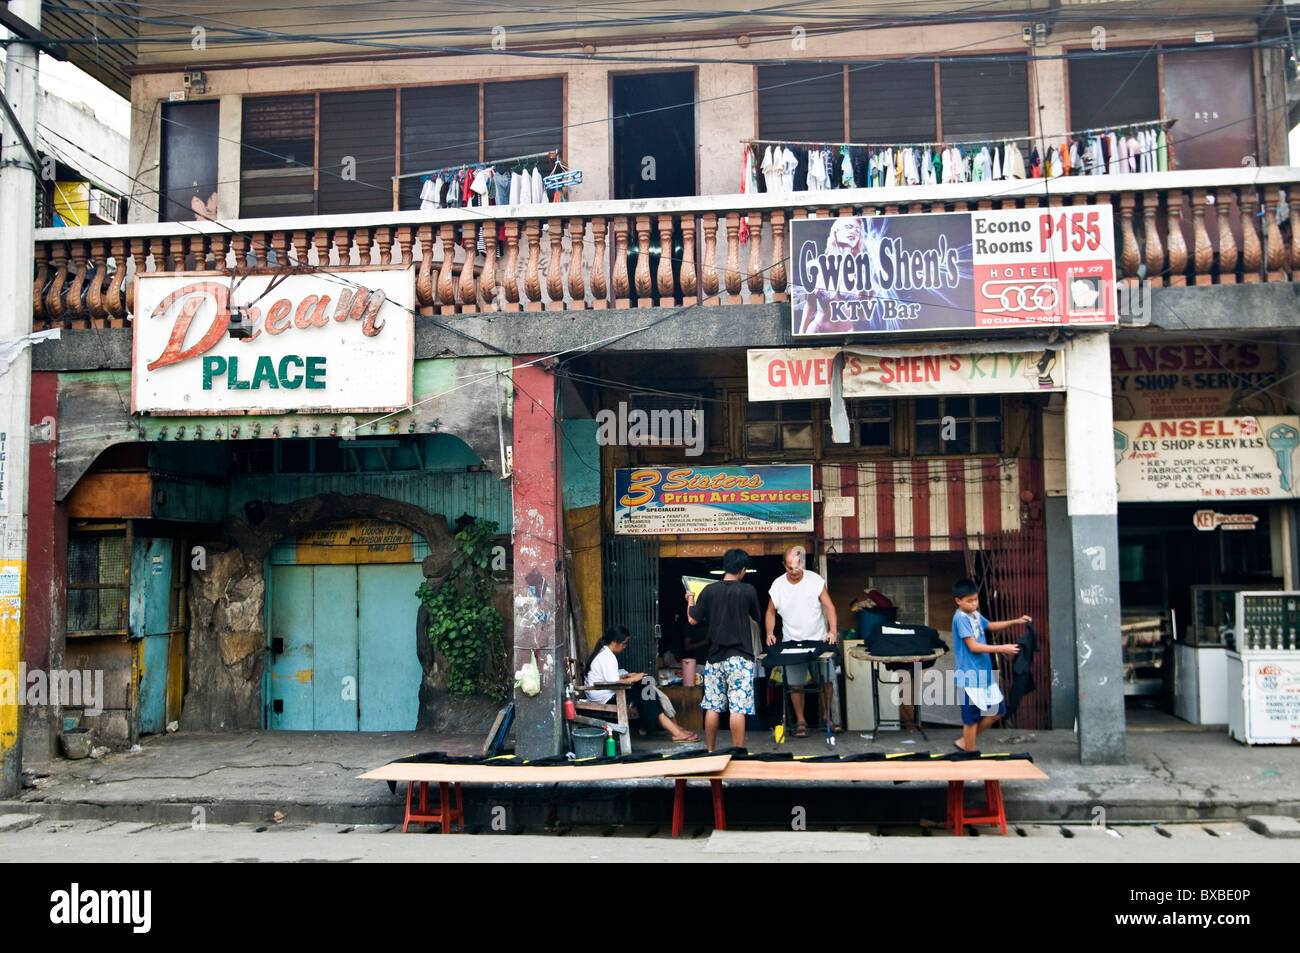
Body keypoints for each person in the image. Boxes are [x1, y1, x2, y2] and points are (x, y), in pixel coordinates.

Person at [686, 548, 762, 752]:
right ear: (743, 570)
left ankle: (710, 750)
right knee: (738, 707)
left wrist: (690, 599)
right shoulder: (747, 591)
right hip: (740, 657)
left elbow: (692, 619)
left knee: (712, 706)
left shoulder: (709, 591)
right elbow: (757, 617)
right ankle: (737, 752)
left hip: (714, 658)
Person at [765, 546, 839, 737]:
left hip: (819, 639)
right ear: (784, 565)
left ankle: (826, 716)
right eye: (790, 568)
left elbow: (829, 606)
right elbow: (770, 611)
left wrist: (832, 631)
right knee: (796, 684)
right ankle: (800, 721)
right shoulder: (778, 585)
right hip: (792, 642)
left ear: (803, 564)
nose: (794, 571)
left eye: (797, 567)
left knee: (826, 681)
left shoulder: (815, 580)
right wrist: (769, 632)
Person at [584, 625, 698, 744]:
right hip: (605, 699)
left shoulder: (604, 653)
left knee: (647, 688)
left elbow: (609, 678)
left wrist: (628, 676)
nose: (625, 647)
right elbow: (613, 683)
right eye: (624, 643)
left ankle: (671, 728)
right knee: (645, 689)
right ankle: (672, 730)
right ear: (614, 642)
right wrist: (635, 678)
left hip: (606, 694)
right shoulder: (607, 656)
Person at [950, 578, 1028, 753]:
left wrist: (1015, 621)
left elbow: (990, 626)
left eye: (976, 600)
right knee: (971, 720)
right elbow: (973, 646)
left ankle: (965, 742)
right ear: (958, 601)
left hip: (983, 675)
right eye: (969, 601)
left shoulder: (975, 614)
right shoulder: (960, 618)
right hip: (968, 677)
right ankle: (970, 754)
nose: (974, 604)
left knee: (998, 711)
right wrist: (1002, 648)